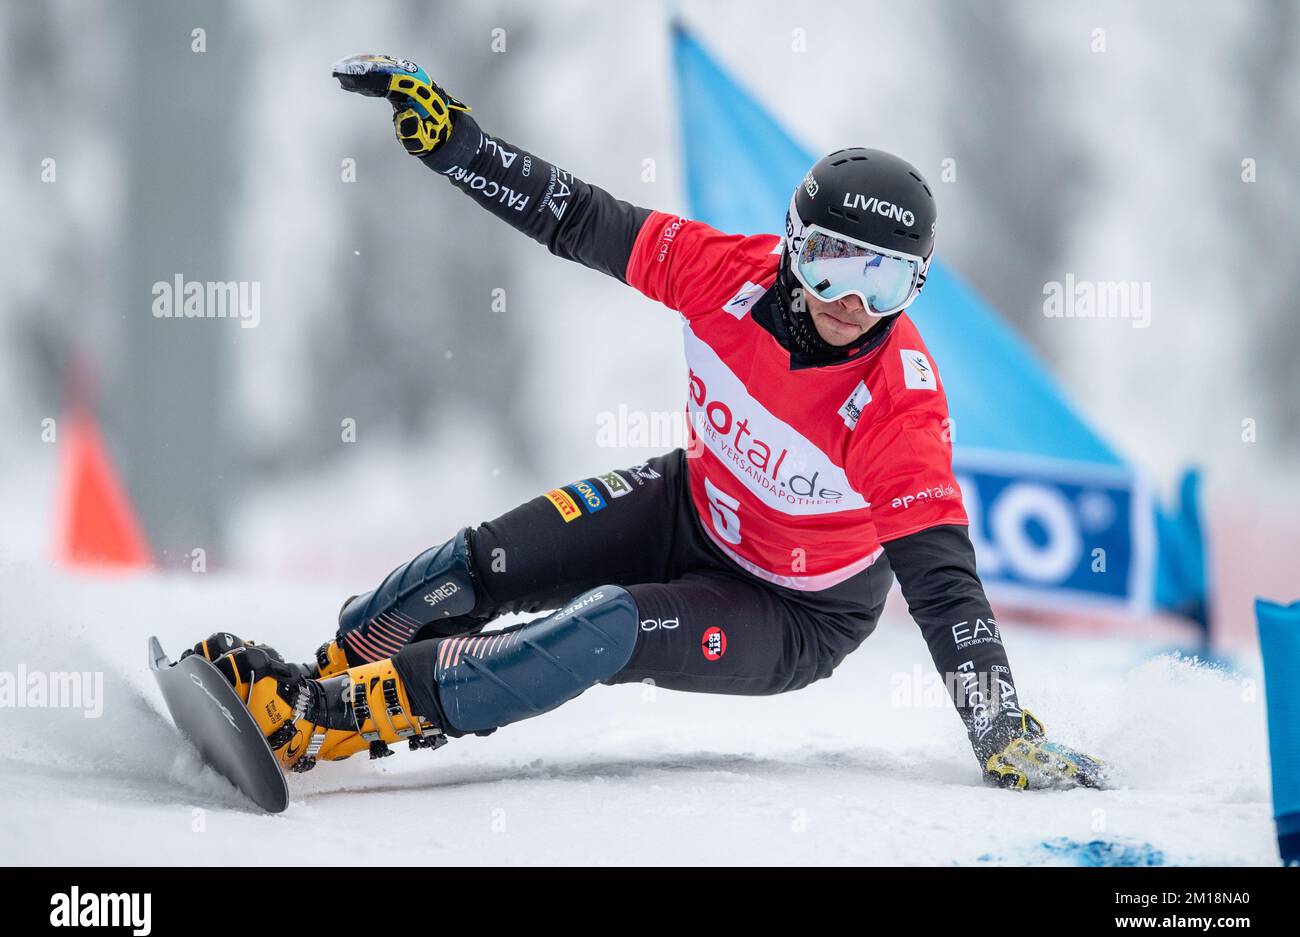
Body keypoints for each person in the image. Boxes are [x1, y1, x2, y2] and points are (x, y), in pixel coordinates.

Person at [189, 54, 1105, 790]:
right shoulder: (727, 274)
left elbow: (947, 592)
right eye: (833, 266)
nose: (852, 304)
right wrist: (459, 148)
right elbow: (581, 218)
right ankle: (311, 687)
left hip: (791, 611)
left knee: (604, 626)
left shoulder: (896, 403)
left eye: (887, 282)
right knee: (469, 570)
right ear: (792, 245)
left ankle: (339, 721)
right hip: (689, 506)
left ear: (916, 287)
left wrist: (1000, 729)